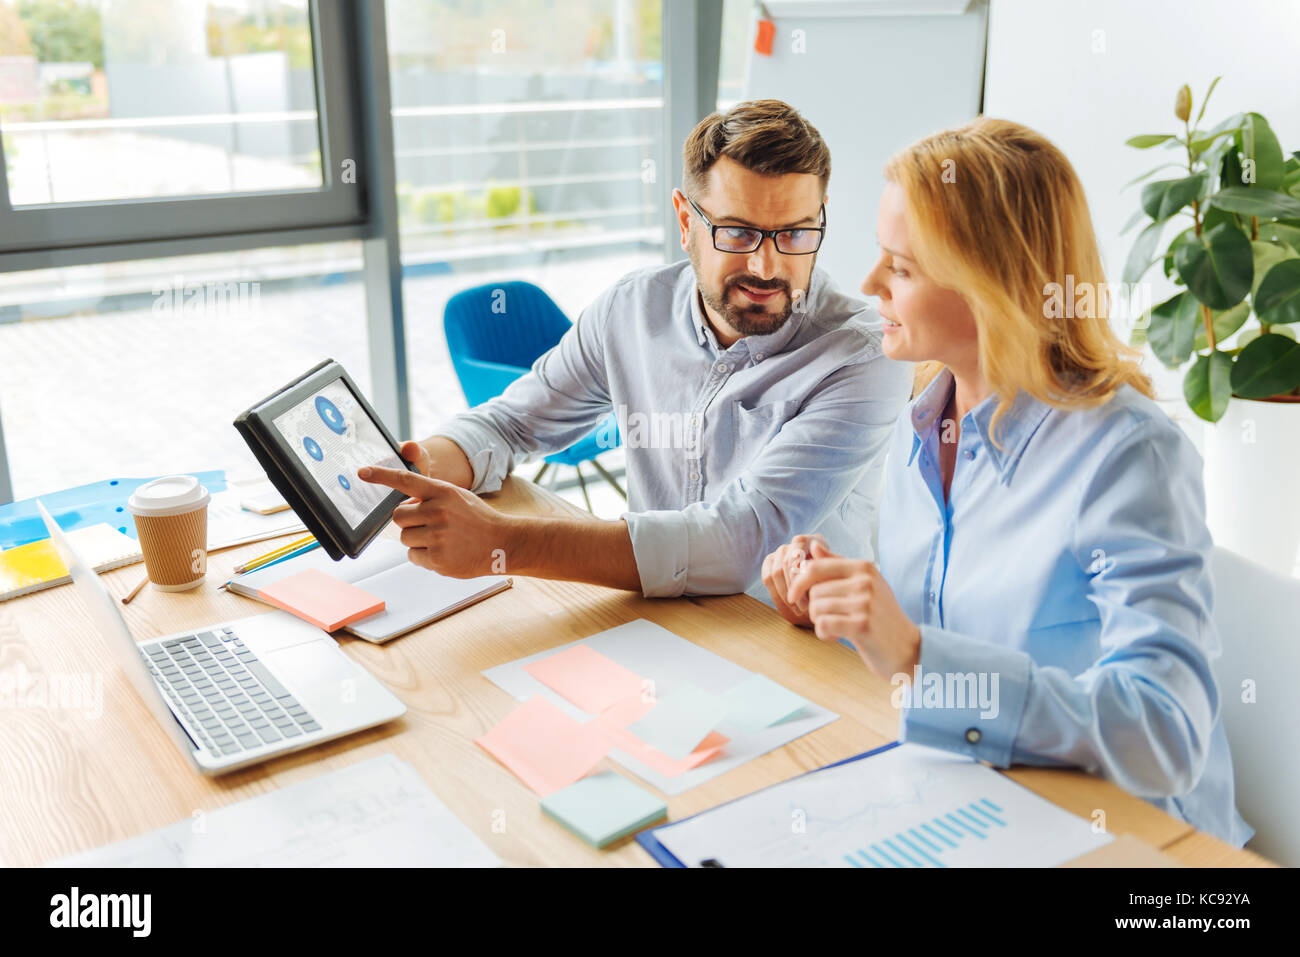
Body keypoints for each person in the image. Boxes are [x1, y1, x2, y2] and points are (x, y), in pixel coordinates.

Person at [761, 117, 1253, 846]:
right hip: (972, 805)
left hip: (1133, 841)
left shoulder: (1129, 457)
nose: (868, 284)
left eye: (900, 266)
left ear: (989, 285)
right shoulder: (920, 424)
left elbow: (1167, 733)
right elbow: (930, 635)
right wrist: (835, 607)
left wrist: (918, 658)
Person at [358, 100, 912, 601]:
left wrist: (504, 541)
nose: (768, 267)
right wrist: (419, 467)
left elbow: (740, 542)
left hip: (795, 649)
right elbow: (510, 424)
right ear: (684, 220)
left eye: (794, 234)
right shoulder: (632, 310)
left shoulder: (862, 354)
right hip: (657, 621)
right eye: (738, 234)